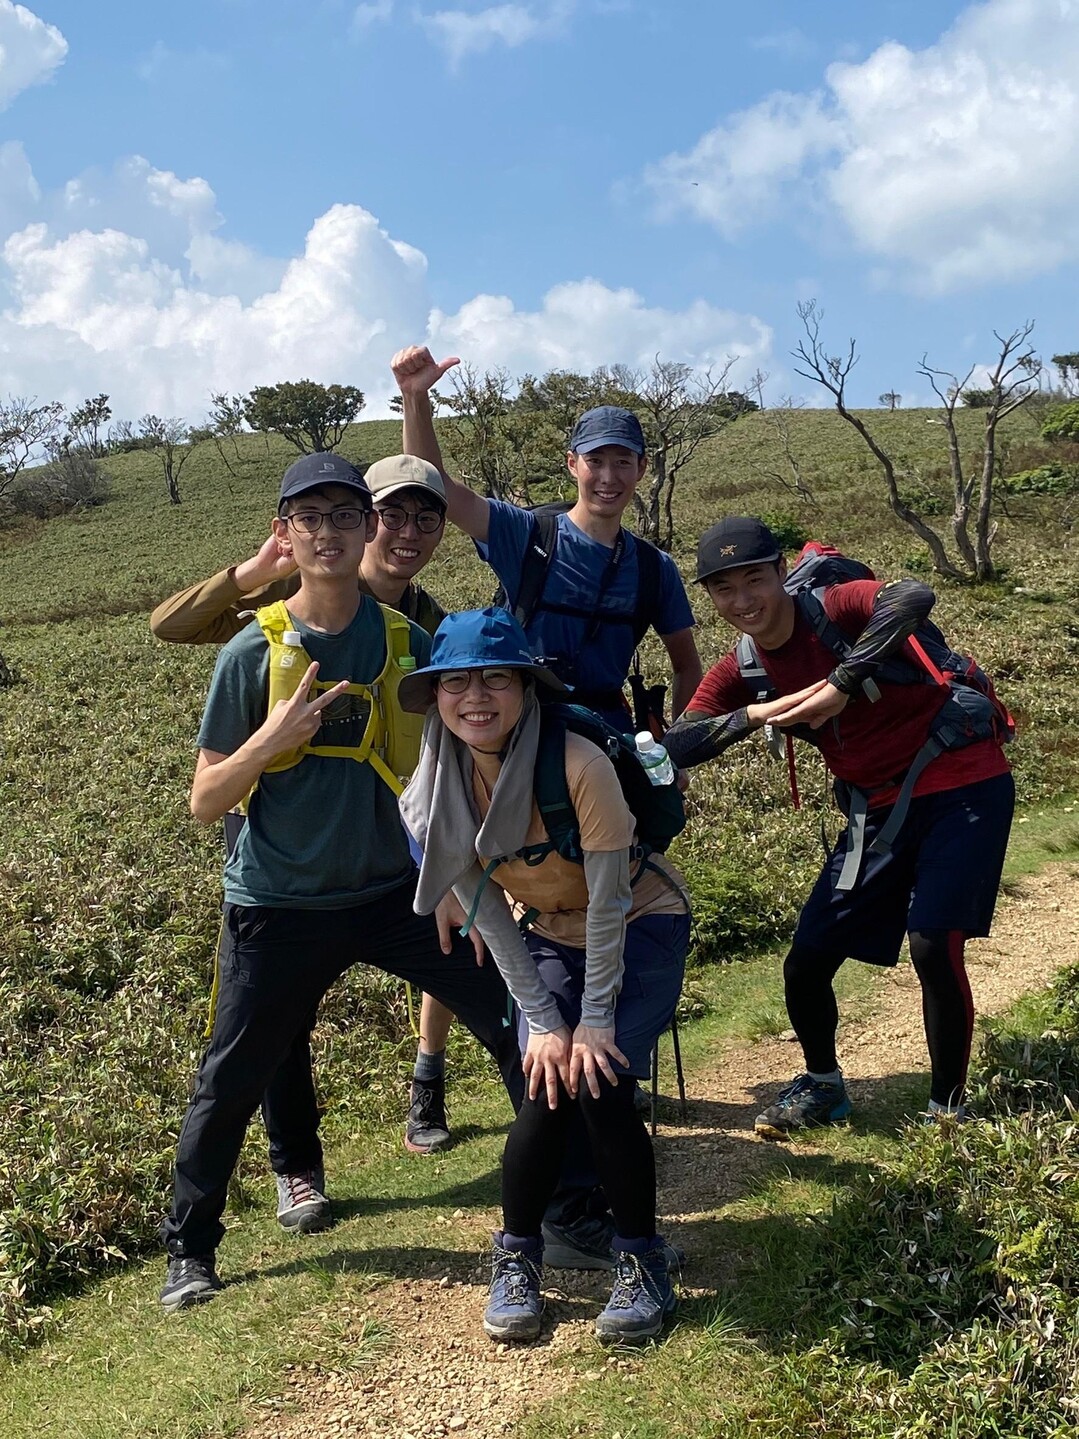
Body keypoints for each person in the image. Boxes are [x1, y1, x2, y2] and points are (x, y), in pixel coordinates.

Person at [158, 453, 526, 1312]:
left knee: (514, 1019)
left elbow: (460, 756)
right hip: (277, 902)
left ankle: (570, 1195)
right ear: (283, 533)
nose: (327, 532)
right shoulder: (252, 653)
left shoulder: (408, 644)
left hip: (397, 891)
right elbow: (206, 800)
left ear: (367, 529)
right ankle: (190, 1248)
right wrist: (269, 743)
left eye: (343, 516)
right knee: (230, 1076)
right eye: (309, 518)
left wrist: (470, 874)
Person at [663, 517, 1015, 1135]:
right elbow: (680, 742)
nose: (744, 600)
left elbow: (909, 596)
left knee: (933, 945)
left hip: (962, 780)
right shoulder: (740, 667)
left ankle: (947, 1113)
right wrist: (757, 712)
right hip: (873, 810)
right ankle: (825, 1087)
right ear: (711, 597)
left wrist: (841, 684)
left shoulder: (834, 606)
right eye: (724, 589)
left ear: (781, 573)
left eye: (756, 579)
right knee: (805, 963)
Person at [398, 608, 690, 1343]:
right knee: (545, 1073)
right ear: (434, 695)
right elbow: (487, 916)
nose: (475, 696)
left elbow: (611, 901)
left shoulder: (578, 763)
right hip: (547, 932)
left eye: (495, 677)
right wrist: (546, 1022)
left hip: (639, 920)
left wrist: (589, 1022)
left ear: (527, 688)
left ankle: (640, 1259)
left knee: (598, 1072)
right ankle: (518, 1255)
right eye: (455, 681)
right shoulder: (436, 785)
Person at [390, 345, 703, 730]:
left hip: (606, 732)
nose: (608, 477)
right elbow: (437, 486)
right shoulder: (527, 534)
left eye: (622, 462)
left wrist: (680, 747)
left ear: (641, 468)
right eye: (595, 461)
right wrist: (415, 398)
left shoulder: (656, 568)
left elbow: (687, 665)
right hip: (517, 727)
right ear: (573, 464)